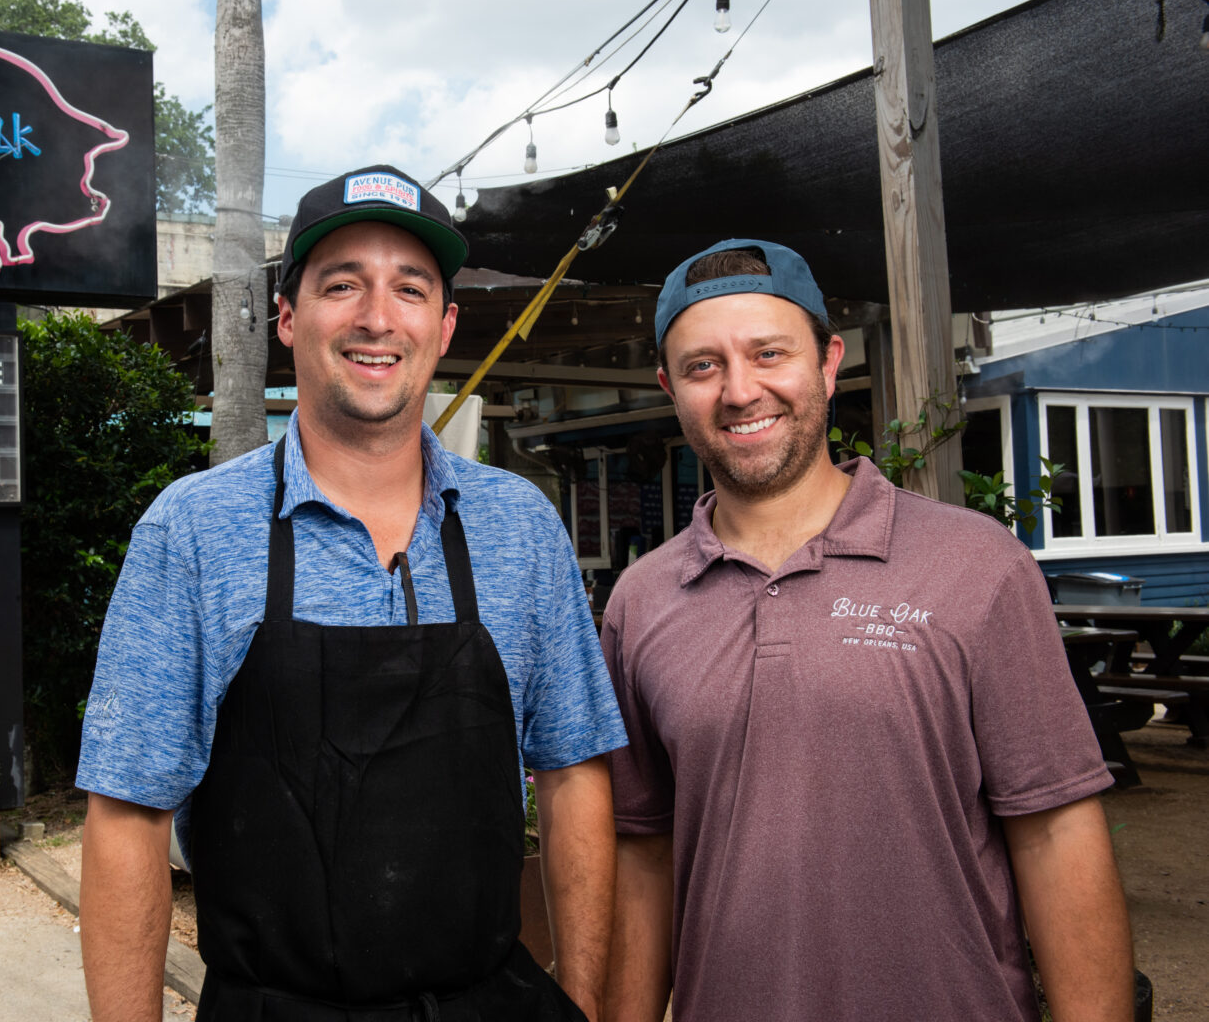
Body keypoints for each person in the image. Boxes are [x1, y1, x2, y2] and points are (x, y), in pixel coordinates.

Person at [76, 165, 627, 1022]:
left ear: (444, 326)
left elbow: (572, 773)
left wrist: (582, 1006)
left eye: (410, 289)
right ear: (289, 317)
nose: (378, 317)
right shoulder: (193, 529)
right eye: (344, 285)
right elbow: (126, 815)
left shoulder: (520, 525)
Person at [603, 239, 1133, 1022]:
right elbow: (645, 854)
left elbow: (1057, 834)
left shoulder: (977, 566)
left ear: (828, 362)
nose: (740, 390)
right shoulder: (641, 601)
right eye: (703, 366)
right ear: (670, 388)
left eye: (769, 353)